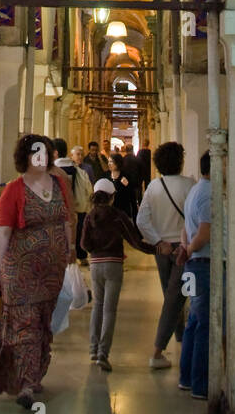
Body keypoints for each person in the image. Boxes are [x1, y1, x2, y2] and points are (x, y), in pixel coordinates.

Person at [0, 134, 73, 408]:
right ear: (25, 158)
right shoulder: (13, 190)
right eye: (36, 153)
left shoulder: (59, 185)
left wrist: (69, 251)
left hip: (51, 272)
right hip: (21, 271)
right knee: (25, 324)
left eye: (45, 153)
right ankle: (26, 386)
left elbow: (66, 220)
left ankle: (33, 374)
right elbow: (3, 233)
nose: (42, 158)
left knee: (43, 322)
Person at [80, 178, 155, 370]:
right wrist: (155, 250)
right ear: (112, 197)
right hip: (113, 264)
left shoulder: (90, 216)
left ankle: (93, 349)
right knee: (110, 310)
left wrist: (95, 250)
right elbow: (135, 240)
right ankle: (103, 354)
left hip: (95, 266)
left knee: (98, 305)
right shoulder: (118, 216)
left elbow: (83, 244)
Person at [137, 141, 194, 369]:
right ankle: (157, 352)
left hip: (162, 251)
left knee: (171, 296)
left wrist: (158, 241)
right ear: (180, 162)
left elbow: (142, 220)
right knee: (174, 298)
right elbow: (195, 219)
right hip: (183, 249)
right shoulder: (190, 185)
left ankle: (179, 336)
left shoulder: (153, 187)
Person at [178, 151, 213, 399]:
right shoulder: (209, 193)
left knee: (193, 321)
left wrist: (185, 249)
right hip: (203, 264)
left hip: (193, 265)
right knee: (204, 324)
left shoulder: (195, 190)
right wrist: (190, 249)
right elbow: (203, 235)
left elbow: (185, 229)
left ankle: (187, 377)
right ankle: (200, 384)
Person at [53, 138, 91, 266]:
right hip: (77, 211)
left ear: (55, 152)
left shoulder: (50, 172)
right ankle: (80, 255)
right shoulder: (81, 172)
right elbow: (89, 191)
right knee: (77, 235)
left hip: (57, 213)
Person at [109, 151, 136, 220]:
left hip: (123, 211)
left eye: (111, 162)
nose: (109, 164)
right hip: (110, 211)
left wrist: (127, 185)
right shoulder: (106, 176)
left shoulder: (126, 176)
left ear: (118, 163)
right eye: (108, 161)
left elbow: (132, 195)